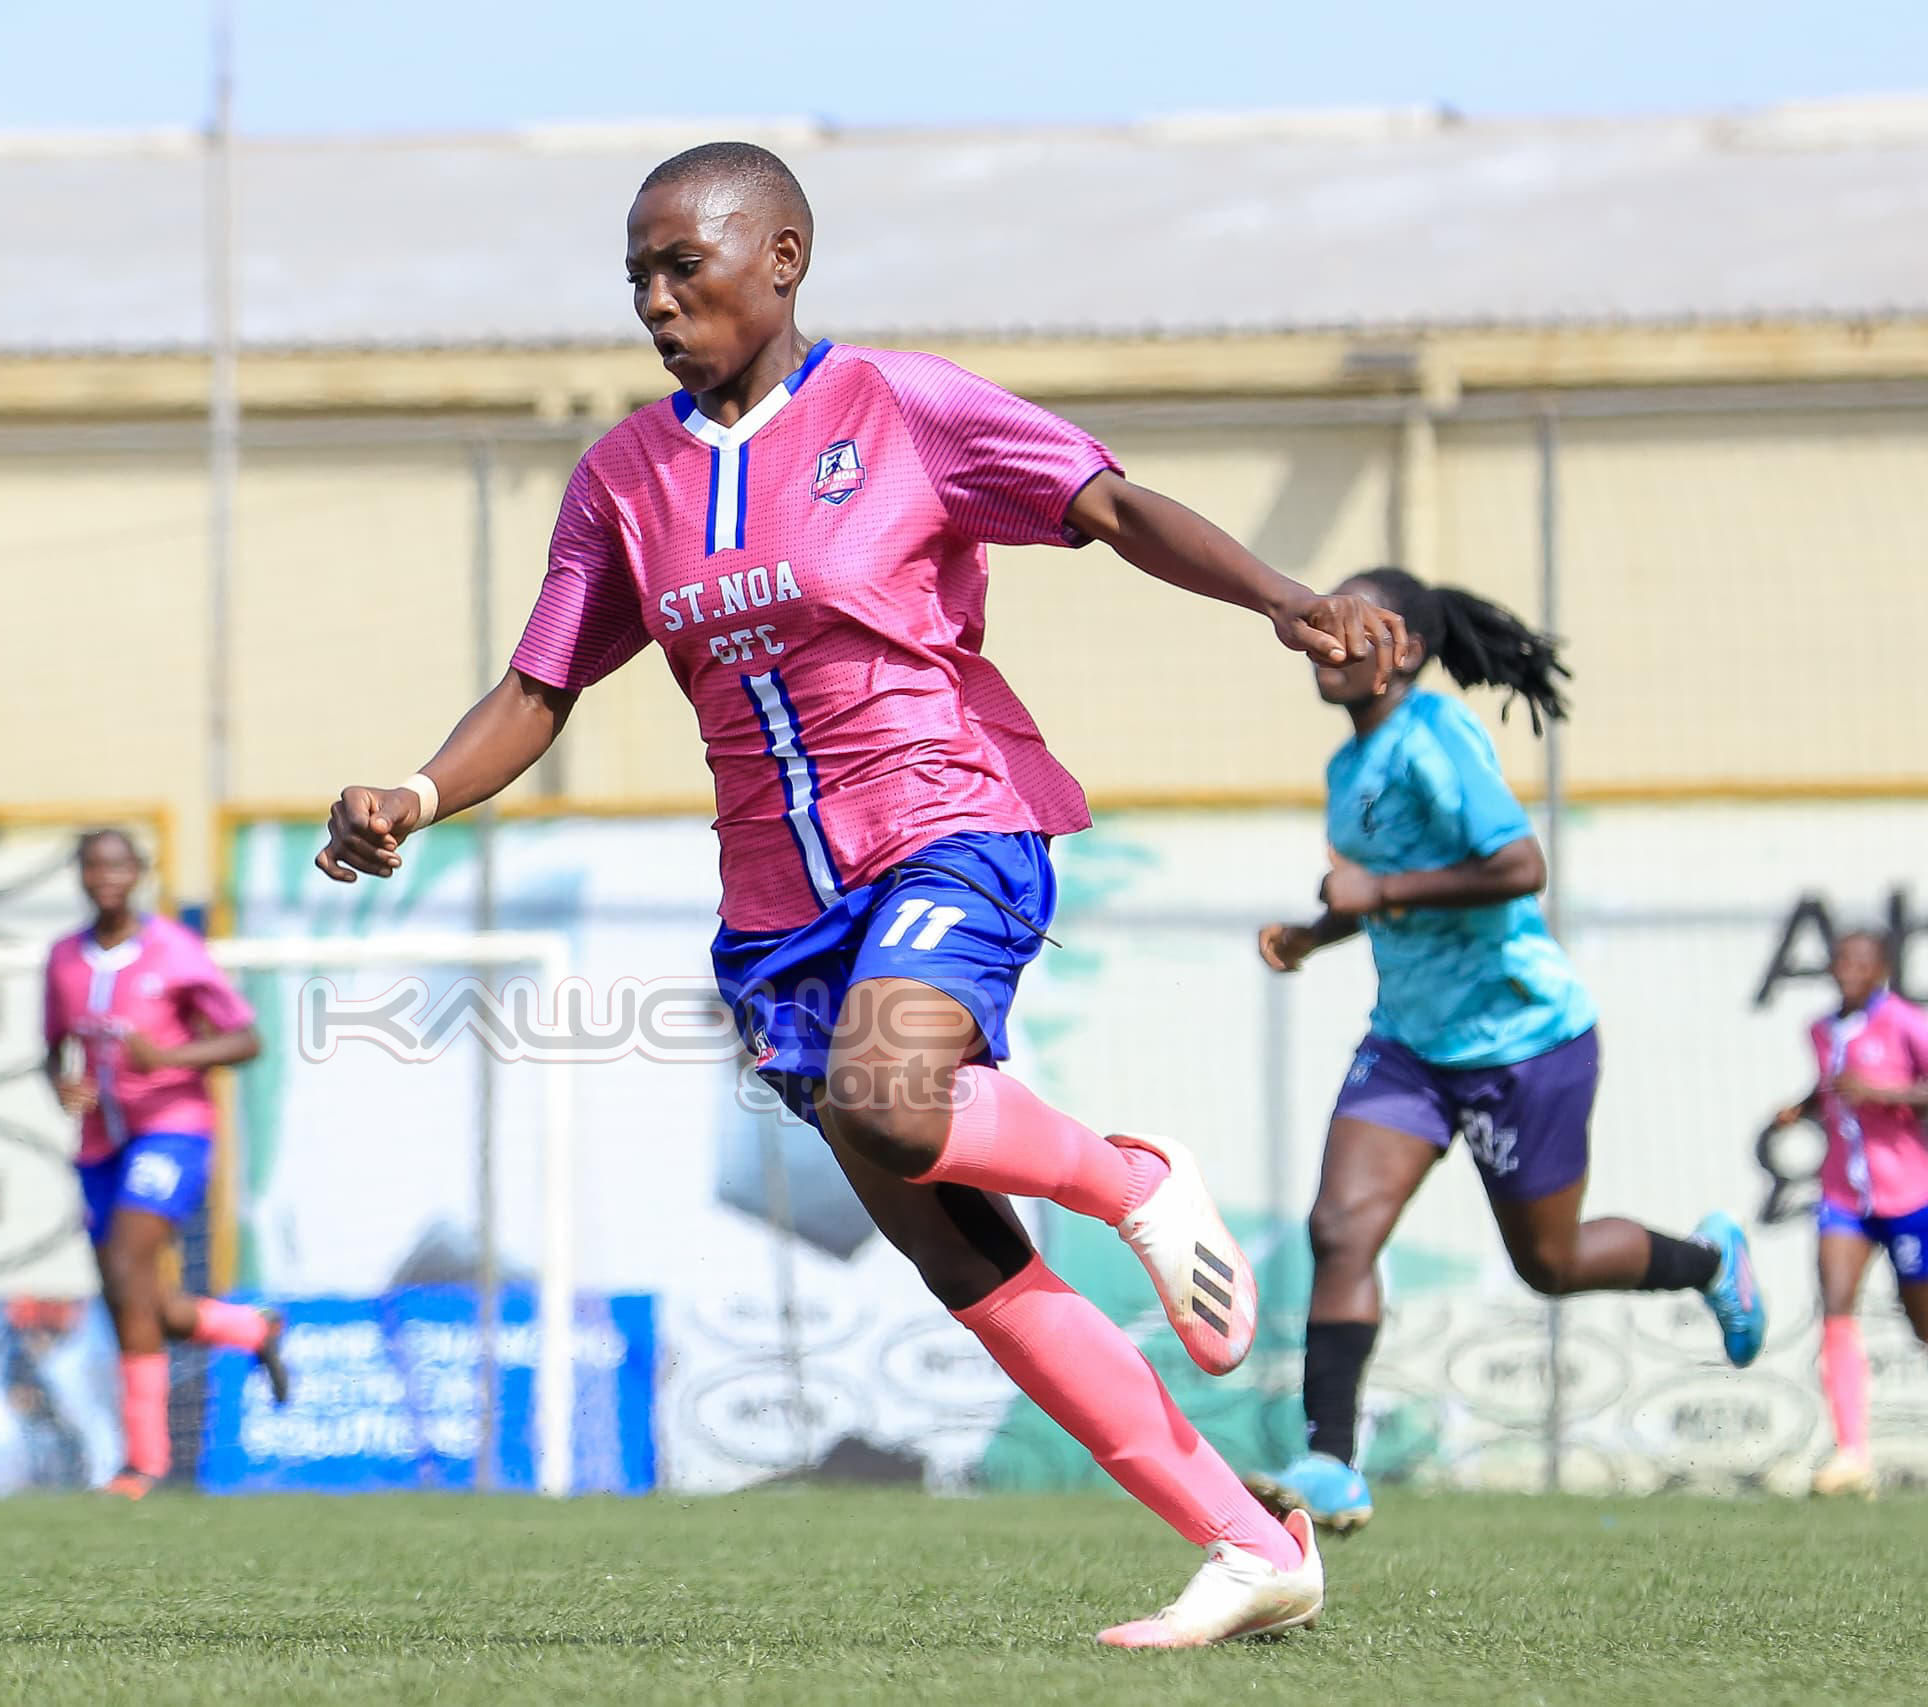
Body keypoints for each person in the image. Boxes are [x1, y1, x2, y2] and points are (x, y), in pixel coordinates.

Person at [318, 141, 1417, 1647]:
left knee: (894, 1094)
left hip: (948, 824)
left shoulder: (905, 408)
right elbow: (541, 681)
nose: (653, 298)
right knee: (957, 1249)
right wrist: (420, 793)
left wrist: (1289, 602)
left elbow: (1112, 505)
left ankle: (1134, 1176)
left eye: (680, 265)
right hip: (777, 908)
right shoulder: (625, 477)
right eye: (635, 274)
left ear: (782, 258)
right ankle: (1245, 1538)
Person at [1246, 566, 1765, 1532]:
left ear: (1404, 650)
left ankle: (1708, 1262)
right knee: (1339, 1228)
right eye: (1322, 620)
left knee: (1552, 1263)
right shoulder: (1347, 767)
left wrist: (1381, 894)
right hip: (1408, 1042)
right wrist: (1316, 935)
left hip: (1523, 1040)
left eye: (1355, 626)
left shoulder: (1436, 737)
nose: (1328, 638)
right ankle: (1330, 1462)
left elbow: (1518, 865)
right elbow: (1382, 892)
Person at [44, 828, 291, 1500]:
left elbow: (246, 1037)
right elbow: (53, 1048)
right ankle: (247, 1327)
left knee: (128, 1267)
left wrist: (172, 1059)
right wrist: (61, 1086)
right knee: (130, 1296)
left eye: (119, 865)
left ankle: (144, 1464)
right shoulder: (64, 958)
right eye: (94, 864)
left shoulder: (175, 951)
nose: (106, 876)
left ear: (141, 873)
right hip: (100, 1144)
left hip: (171, 1133)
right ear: (81, 874)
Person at [1778, 929, 1928, 1500]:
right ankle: (1852, 1455)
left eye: (1860, 961)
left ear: (1882, 968)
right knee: (1836, 1308)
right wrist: (1802, 1106)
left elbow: (1895, 1088)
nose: (1847, 969)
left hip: (1909, 1194)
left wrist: (1884, 1092)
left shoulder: (1906, 1023)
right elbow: (1833, 1087)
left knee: (1922, 1323)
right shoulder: (1820, 1029)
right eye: (1840, 958)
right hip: (1845, 1196)